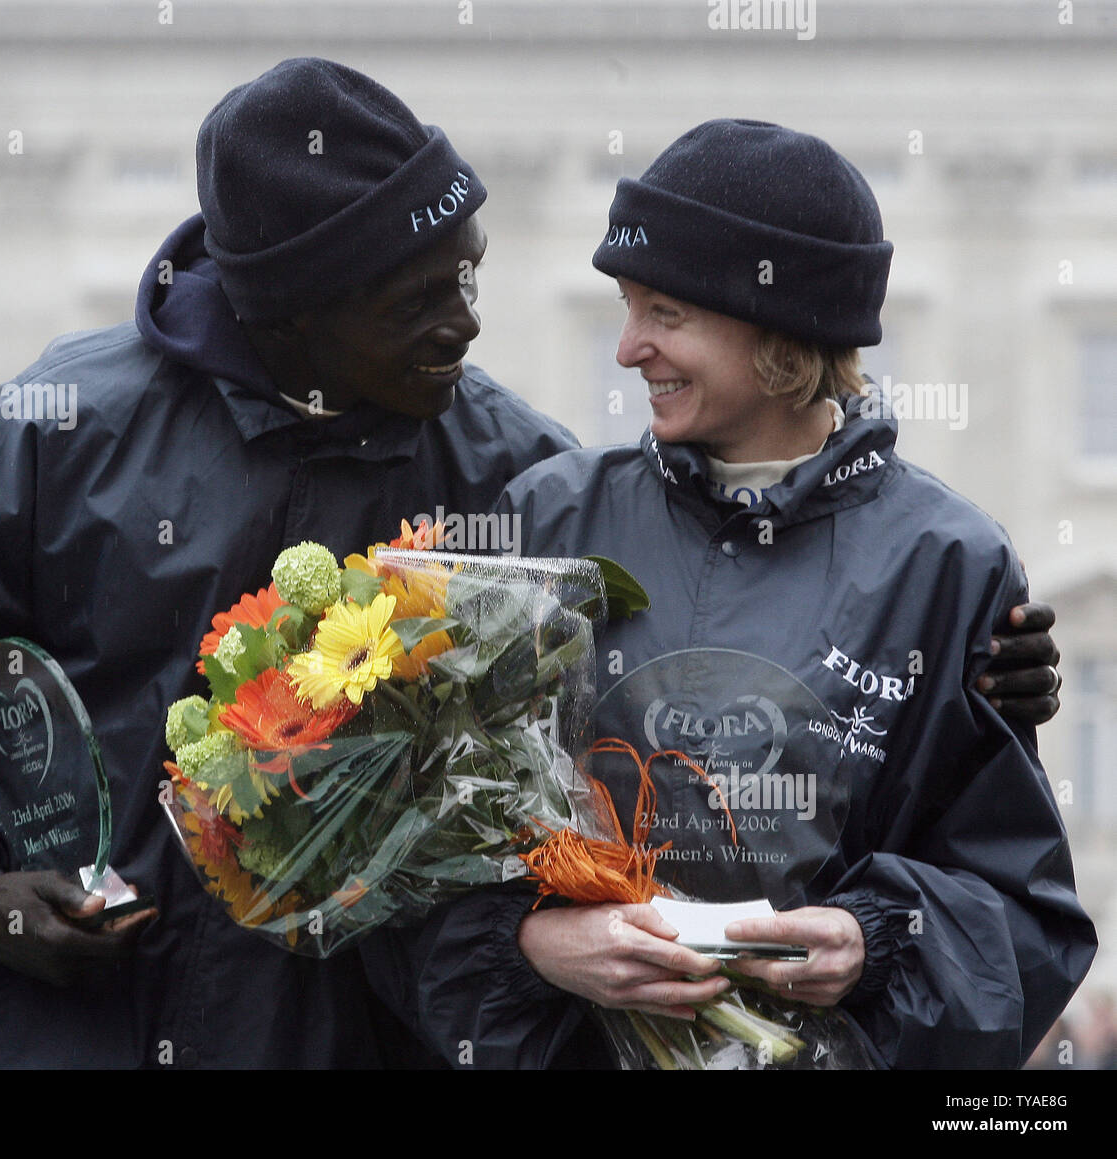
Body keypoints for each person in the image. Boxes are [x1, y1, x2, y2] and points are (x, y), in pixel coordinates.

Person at [0, 68, 1063, 1069]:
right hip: (18, 1038)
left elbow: (700, 611)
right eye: (416, 298)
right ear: (288, 311)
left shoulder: (516, 475)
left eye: (466, 274)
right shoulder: (58, 429)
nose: (465, 322)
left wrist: (983, 673)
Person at [380, 120, 1095, 1069]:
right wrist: (534, 944)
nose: (629, 348)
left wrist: (875, 941)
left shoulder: (946, 561)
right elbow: (413, 860)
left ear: (780, 328)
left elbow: (1019, 914)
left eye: (666, 313)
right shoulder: (549, 518)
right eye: (628, 309)